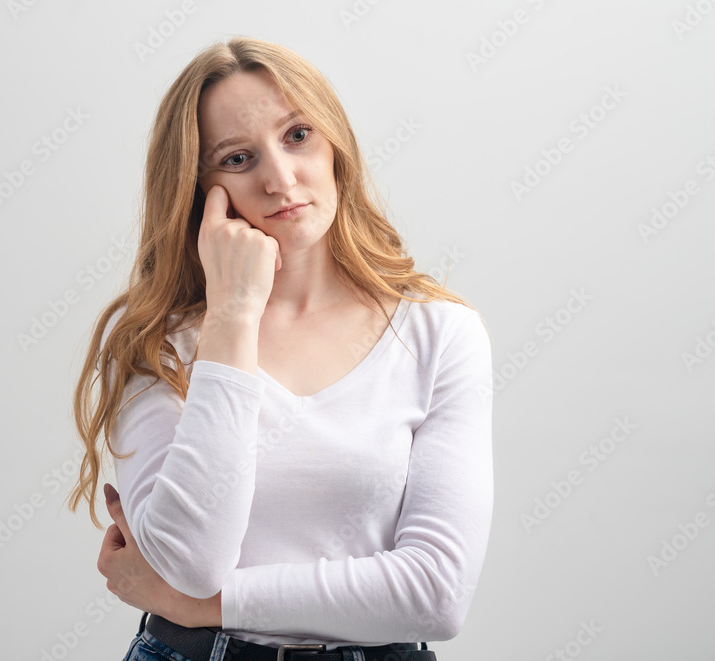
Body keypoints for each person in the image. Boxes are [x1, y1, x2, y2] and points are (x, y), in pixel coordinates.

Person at [65, 35, 494, 661]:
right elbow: (191, 560)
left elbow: (436, 592)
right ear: (197, 189)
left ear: (335, 144)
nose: (280, 178)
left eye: (297, 136)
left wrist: (204, 607)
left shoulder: (439, 334)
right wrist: (233, 316)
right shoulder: (156, 344)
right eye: (237, 159)